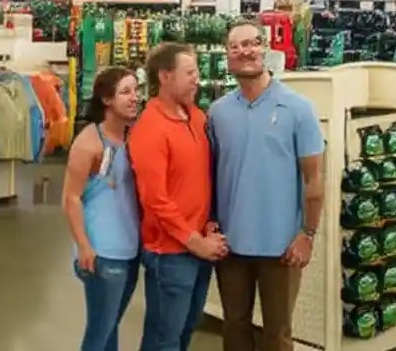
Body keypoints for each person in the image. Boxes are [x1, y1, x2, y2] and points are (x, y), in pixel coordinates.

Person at [208, 20, 325, 351]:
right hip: (231, 247)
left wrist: (308, 234)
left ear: (264, 49)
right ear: (227, 56)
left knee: (277, 335)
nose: (245, 51)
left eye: (252, 43)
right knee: (234, 328)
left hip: (281, 248)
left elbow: (314, 178)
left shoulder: (298, 108)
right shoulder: (218, 113)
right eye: (236, 46)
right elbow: (211, 174)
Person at [129, 43, 227, 351]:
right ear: (165, 76)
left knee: (185, 331)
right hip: (169, 254)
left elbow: (203, 179)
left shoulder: (196, 118)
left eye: (197, 72)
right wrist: (194, 240)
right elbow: (155, 199)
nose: (197, 79)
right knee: (164, 339)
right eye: (190, 73)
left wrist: (209, 222)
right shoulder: (150, 128)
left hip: (198, 248)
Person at [62, 67, 142, 351]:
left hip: (131, 250)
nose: (135, 98)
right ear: (107, 100)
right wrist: (83, 245)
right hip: (103, 254)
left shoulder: (135, 137)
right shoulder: (89, 143)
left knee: (110, 330)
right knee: (99, 333)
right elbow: (70, 197)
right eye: (125, 92)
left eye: (136, 90)